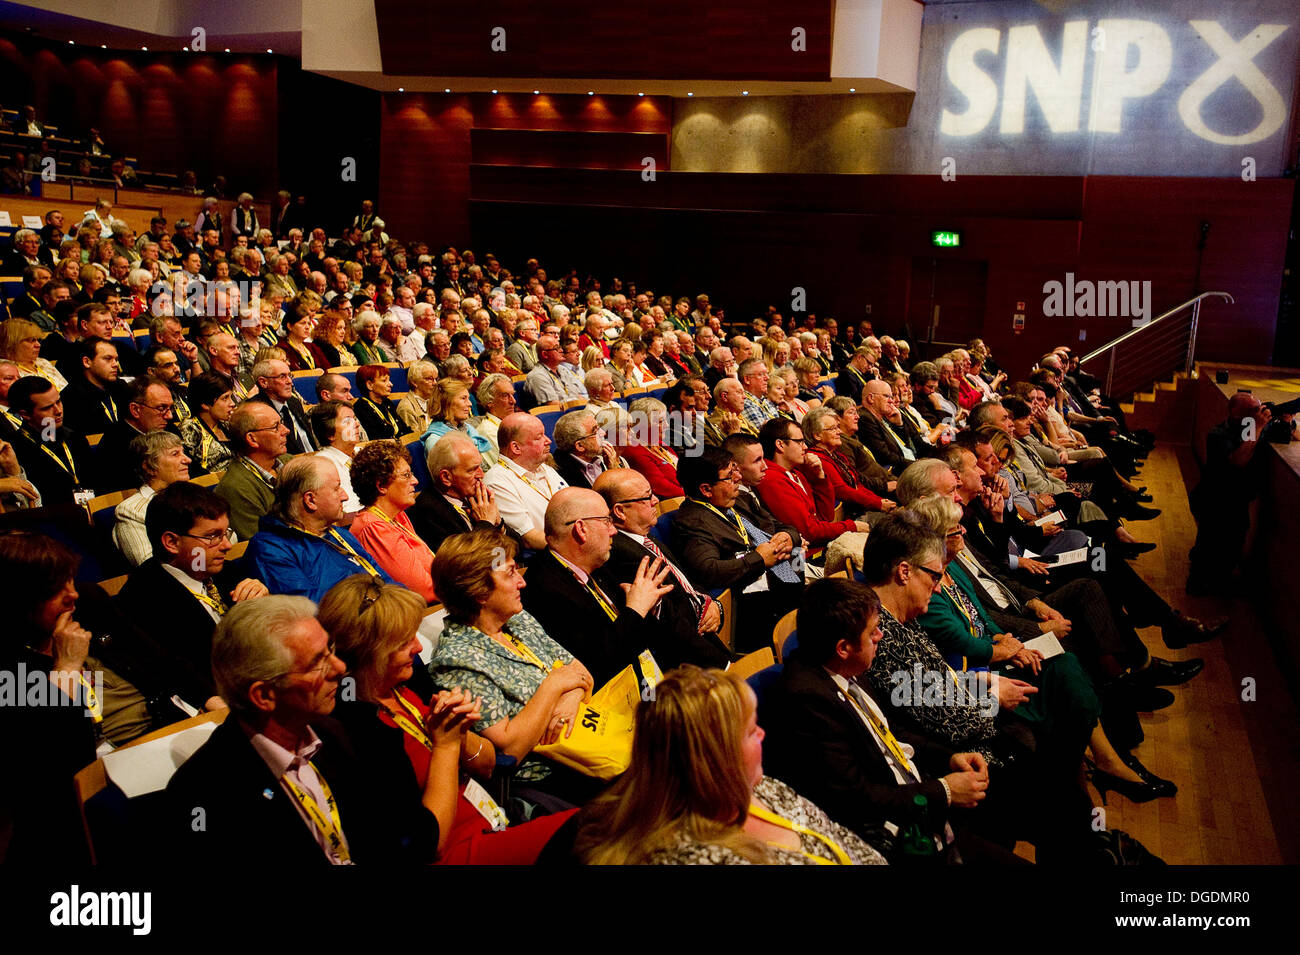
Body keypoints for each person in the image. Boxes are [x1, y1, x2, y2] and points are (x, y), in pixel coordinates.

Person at [319, 575, 577, 863]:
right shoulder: (359, 729)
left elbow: (491, 763)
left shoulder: (407, 687)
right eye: (404, 642)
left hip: (490, 819)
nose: (418, 648)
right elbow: (426, 845)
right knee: (589, 832)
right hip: (455, 848)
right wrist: (446, 746)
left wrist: (461, 733)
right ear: (368, 651)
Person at [163, 596, 439, 863]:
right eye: (318, 663)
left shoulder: (338, 734)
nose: (340, 668)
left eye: (331, 650)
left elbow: (399, 842)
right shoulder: (206, 796)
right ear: (264, 696)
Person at [761, 577, 1020, 863]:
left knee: (1018, 795)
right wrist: (944, 792)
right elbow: (856, 798)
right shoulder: (806, 701)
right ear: (843, 647)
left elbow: (890, 730)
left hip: (918, 792)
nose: (881, 637)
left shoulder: (843, 666)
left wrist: (950, 757)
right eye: (872, 632)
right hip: (894, 834)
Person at [563, 665, 885, 864]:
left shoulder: (761, 786)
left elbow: (843, 840)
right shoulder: (694, 857)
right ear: (714, 759)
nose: (762, 734)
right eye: (749, 731)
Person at [427, 530, 595, 797]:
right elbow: (508, 751)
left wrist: (569, 700)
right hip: (551, 780)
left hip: (589, 741)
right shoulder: (457, 661)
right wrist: (554, 685)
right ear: (479, 592)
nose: (522, 583)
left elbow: (582, 674)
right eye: (510, 574)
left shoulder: (516, 618)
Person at [116, 482, 268, 712]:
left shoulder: (225, 573)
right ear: (172, 542)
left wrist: (264, 604)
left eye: (225, 533)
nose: (227, 545)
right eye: (212, 536)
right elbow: (175, 674)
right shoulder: (143, 598)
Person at [0, 532, 98, 863]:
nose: (73, 595)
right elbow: (63, 762)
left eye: (71, 581)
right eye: (56, 589)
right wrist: (68, 668)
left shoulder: (82, 616)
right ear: (18, 601)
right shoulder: (10, 669)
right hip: (64, 819)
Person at [519, 487, 674, 686]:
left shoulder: (598, 567)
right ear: (581, 529)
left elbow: (639, 633)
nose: (614, 530)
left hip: (651, 680)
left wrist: (648, 605)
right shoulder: (544, 589)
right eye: (606, 521)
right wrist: (635, 610)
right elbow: (598, 666)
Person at [594, 468, 732, 670]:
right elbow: (671, 627)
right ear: (620, 511)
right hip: (689, 666)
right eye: (647, 496)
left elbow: (684, 582)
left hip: (702, 639)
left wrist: (712, 603)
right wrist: (724, 666)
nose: (656, 500)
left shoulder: (645, 539)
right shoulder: (623, 555)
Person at [672, 447, 804, 649]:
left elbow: (781, 526)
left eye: (735, 471)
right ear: (706, 489)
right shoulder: (693, 522)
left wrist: (788, 537)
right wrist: (759, 559)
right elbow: (709, 570)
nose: (739, 479)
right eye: (729, 477)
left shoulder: (741, 500)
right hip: (751, 609)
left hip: (787, 582)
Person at [245, 455, 394, 602]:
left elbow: (385, 580)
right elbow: (314, 611)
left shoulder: (339, 534)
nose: (345, 496)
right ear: (310, 500)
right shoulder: (270, 550)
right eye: (336, 489)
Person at [754, 419, 870, 548]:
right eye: (800, 442)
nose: (806, 447)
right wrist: (851, 526)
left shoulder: (796, 473)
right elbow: (808, 532)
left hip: (820, 545)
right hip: (806, 556)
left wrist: (819, 477)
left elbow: (826, 516)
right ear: (780, 445)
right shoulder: (772, 479)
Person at [347, 440, 438, 603]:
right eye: (406, 475)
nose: (416, 481)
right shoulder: (373, 528)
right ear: (381, 485)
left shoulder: (397, 514)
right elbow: (424, 591)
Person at [481, 412, 568, 551]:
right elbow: (529, 538)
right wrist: (572, 548)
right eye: (539, 437)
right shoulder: (497, 482)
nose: (548, 441)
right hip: (552, 556)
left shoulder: (545, 468)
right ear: (516, 448)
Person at [6, 376, 99, 505]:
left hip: (94, 509)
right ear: (25, 414)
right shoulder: (16, 450)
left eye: (59, 402)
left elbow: (97, 479)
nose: (58, 411)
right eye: (47, 408)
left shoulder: (74, 436)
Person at [409, 433, 507, 552]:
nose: (481, 475)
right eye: (472, 470)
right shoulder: (427, 513)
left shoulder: (475, 497)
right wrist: (486, 523)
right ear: (446, 477)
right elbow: (466, 563)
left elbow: (518, 546)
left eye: (480, 466)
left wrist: (498, 524)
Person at [111, 431, 192, 566]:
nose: (187, 460)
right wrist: (200, 560)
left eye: (182, 453)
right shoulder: (131, 512)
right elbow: (150, 567)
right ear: (149, 467)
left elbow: (230, 539)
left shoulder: (194, 496)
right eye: (175, 454)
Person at [216, 400, 290, 540]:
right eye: (275, 427)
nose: (286, 430)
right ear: (252, 439)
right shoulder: (236, 489)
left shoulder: (290, 462)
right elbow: (263, 546)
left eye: (282, 423)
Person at [420, 379, 496, 469]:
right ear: (446, 402)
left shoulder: (469, 430)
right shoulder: (435, 442)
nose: (470, 404)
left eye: (468, 398)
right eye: (463, 398)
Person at [58, 336, 125, 436]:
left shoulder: (121, 387)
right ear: (87, 362)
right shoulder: (70, 397)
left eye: (116, 359)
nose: (115, 364)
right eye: (108, 359)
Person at [248, 358, 317, 455]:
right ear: (263, 382)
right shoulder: (256, 411)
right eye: (282, 377)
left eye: (290, 376)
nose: (290, 382)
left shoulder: (294, 402)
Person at [179, 371, 235, 476]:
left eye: (231, 397)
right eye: (225, 398)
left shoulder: (227, 424)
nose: (232, 404)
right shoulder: (190, 428)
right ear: (205, 404)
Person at [552, 408, 623, 490]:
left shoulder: (602, 458)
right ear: (580, 446)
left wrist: (613, 470)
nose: (603, 433)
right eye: (595, 431)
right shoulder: (561, 473)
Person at [3, 317, 67, 390]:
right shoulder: (5, 371)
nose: (38, 345)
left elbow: (67, 390)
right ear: (12, 343)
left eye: (37, 340)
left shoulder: (43, 362)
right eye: (31, 340)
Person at [353, 364, 407, 439]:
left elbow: (404, 429)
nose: (391, 384)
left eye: (389, 380)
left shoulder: (387, 403)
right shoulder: (361, 408)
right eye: (384, 381)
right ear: (369, 385)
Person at [396, 360, 438, 435]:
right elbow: (414, 440)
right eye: (429, 379)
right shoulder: (406, 408)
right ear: (414, 382)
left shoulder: (434, 402)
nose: (435, 383)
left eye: (435, 379)